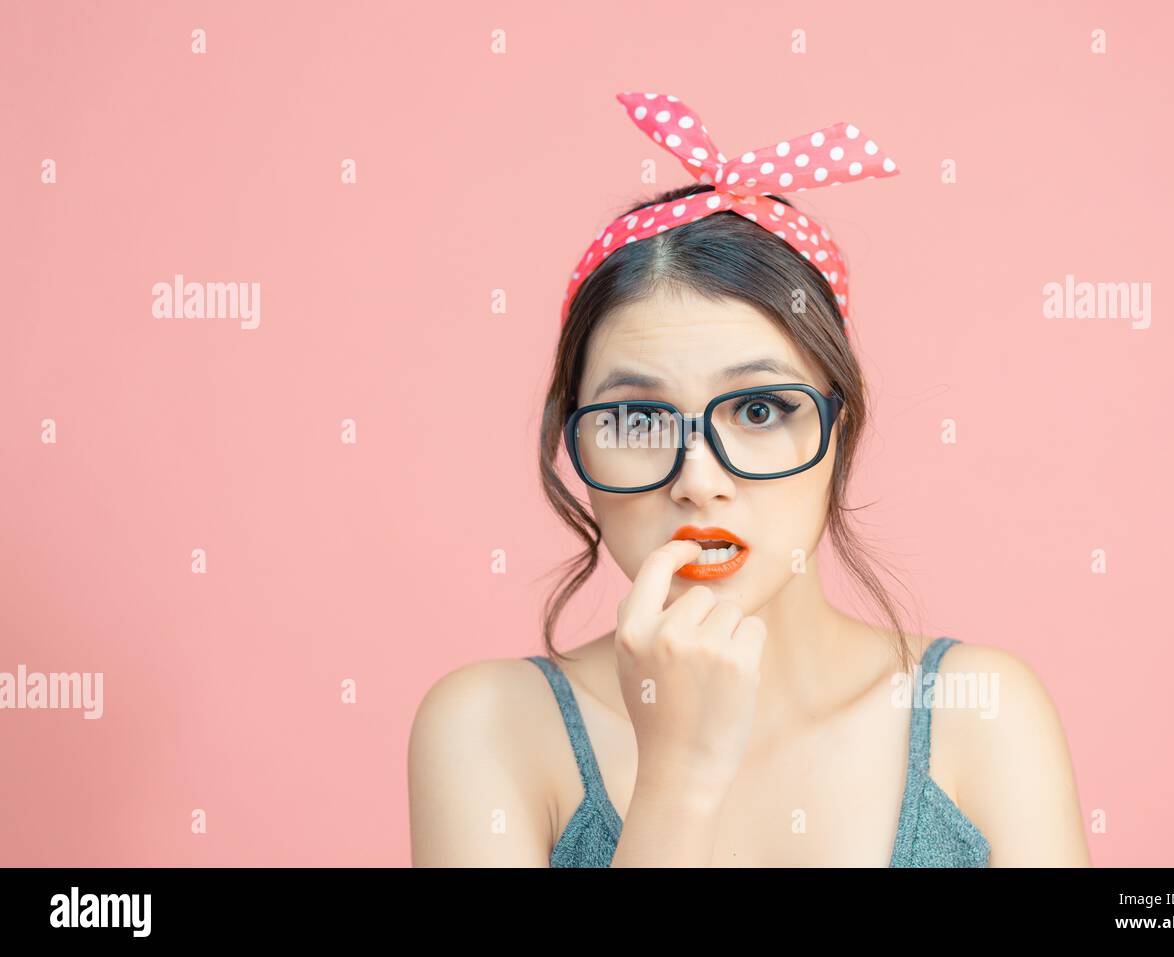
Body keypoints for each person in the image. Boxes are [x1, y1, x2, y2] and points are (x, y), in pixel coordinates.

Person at [409, 92, 1091, 867]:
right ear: (576, 445)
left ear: (839, 425)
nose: (700, 481)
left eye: (760, 410)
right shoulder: (488, 725)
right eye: (637, 420)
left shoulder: (982, 712)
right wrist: (679, 779)